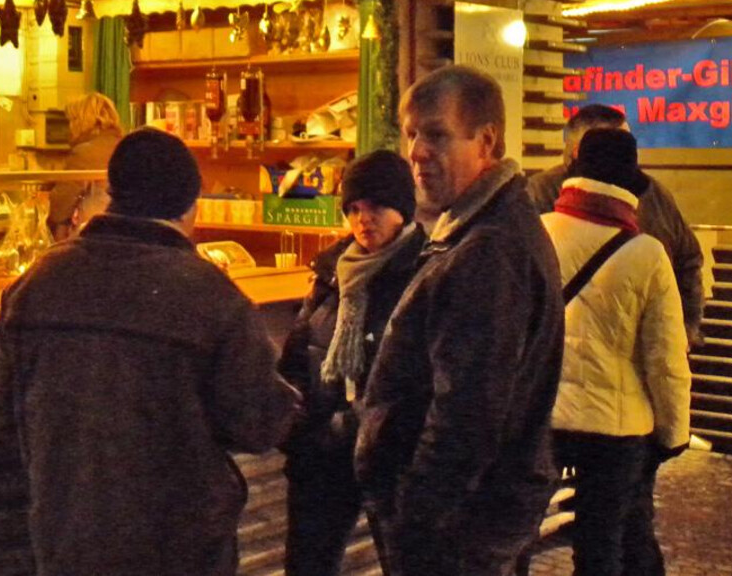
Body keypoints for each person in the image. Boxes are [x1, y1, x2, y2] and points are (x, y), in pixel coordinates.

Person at [0, 128, 299, 576]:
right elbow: (260, 421)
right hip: (180, 542)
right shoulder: (210, 295)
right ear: (190, 205)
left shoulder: (36, 283)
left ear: (112, 194)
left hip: (66, 535)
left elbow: (3, 408)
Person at [355, 66, 564, 576]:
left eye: (437, 135)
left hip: (457, 523)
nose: (417, 152)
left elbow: (466, 413)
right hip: (471, 511)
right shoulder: (479, 229)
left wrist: (415, 518)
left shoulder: (488, 249)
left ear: (485, 141)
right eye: (411, 135)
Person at [542, 128, 690, 576]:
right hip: (616, 429)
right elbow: (665, 359)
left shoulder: (537, 233)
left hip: (542, 417)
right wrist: (673, 434)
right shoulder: (647, 253)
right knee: (601, 546)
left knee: (515, 535)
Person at [278, 150, 426, 576]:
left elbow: (423, 377)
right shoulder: (331, 273)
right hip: (323, 453)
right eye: (353, 209)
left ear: (402, 208)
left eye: (376, 206)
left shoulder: (424, 274)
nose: (363, 220)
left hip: (393, 456)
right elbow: (298, 353)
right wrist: (298, 430)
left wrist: (361, 426)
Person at [527, 103, 704, 344]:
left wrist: (686, 327)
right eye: (615, 143)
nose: (626, 152)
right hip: (570, 348)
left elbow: (688, 258)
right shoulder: (540, 195)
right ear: (579, 150)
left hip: (643, 345)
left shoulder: (654, 194)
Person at [46, 93, 123, 238]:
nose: (68, 128)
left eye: (70, 121)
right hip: (123, 234)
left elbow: (60, 207)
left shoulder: (84, 153)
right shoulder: (125, 145)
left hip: (94, 236)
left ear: (80, 121)